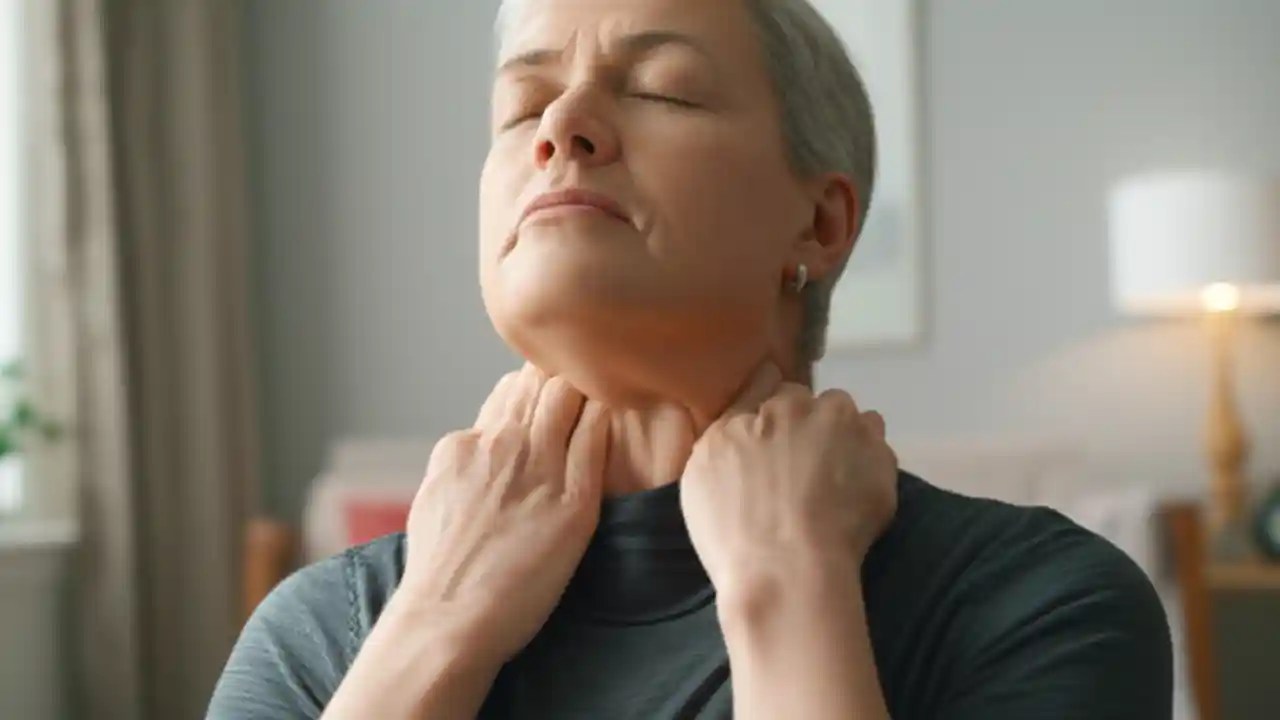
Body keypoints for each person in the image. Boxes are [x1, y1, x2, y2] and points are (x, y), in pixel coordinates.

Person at [209, 0, 1173, 717]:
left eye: (661, 87)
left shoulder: (1037, 604)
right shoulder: (327, 629)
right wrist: (435, 624)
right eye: (522, 105)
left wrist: (787, 583)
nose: (560, 128)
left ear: (822, 220)